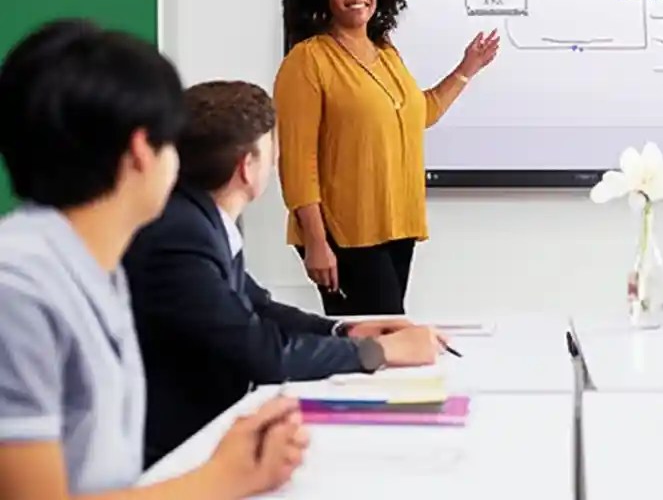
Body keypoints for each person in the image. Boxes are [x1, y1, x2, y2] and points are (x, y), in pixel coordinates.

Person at [0, 19, 305, 499]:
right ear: (142, 150)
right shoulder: (19, 290)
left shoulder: (93, 268)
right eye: (173, 146)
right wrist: (220, 477)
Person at [123, 80, 448, 466]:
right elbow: (264, 354)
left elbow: (258, 306)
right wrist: (378, 351)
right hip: (175, 451)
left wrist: (344, 331)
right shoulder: (181, 234)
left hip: (206, 431)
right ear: (247, 167)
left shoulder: (200, 219)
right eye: (272, 147)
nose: (277, 158)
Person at [275, 0, 500, 315]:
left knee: (383, 342)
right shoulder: (307, 61)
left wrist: (467, 69)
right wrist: (315, 240)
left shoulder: (386, 53)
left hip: (397, 226)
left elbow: (419, 113)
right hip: (344, 233)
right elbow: (297, 161)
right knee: (381, 342)